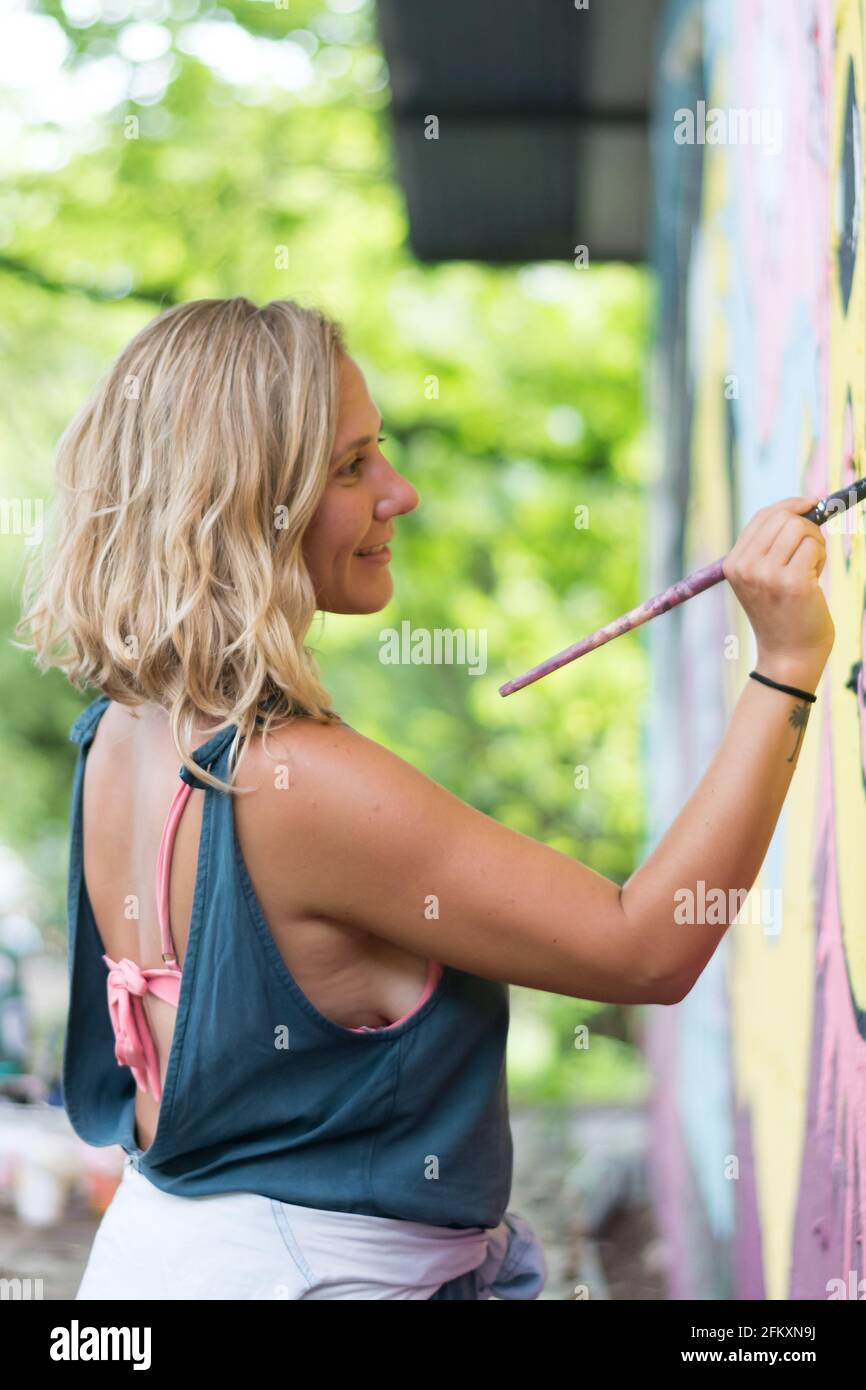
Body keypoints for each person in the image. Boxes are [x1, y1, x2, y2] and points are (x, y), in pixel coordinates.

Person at [16, 296, 834, 1299]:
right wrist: (785, 664)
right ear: (242, 500)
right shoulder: (290, 780)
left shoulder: (121, 730)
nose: (397, 493)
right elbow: (643, 947)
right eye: (351, 466)